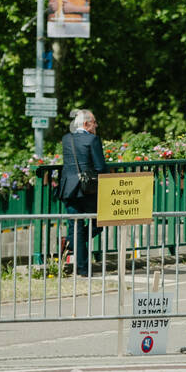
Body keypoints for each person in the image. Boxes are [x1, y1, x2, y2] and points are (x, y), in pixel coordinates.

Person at [59, 109, 107, 276]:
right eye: (94, 122)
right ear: (86, 124)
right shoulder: (92, 139)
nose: (96, 125)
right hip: (87, 190)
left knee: (76, 226)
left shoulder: (66, 139)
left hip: (68, 189)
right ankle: (74, 243)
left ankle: (81, 267)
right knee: (102, 220)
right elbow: (100, 167)